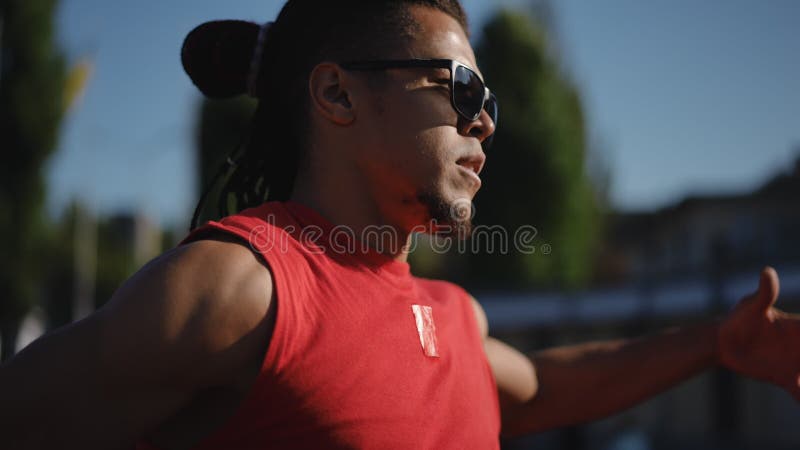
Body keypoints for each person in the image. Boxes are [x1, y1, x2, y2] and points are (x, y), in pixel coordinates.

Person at [1, 1, 798, 449]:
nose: (484, 124)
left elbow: (543, 385)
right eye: (460, 90)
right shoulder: (241, 289)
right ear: (339, 96)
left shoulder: (454, 318)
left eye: (490, 102)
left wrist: (713, 344)